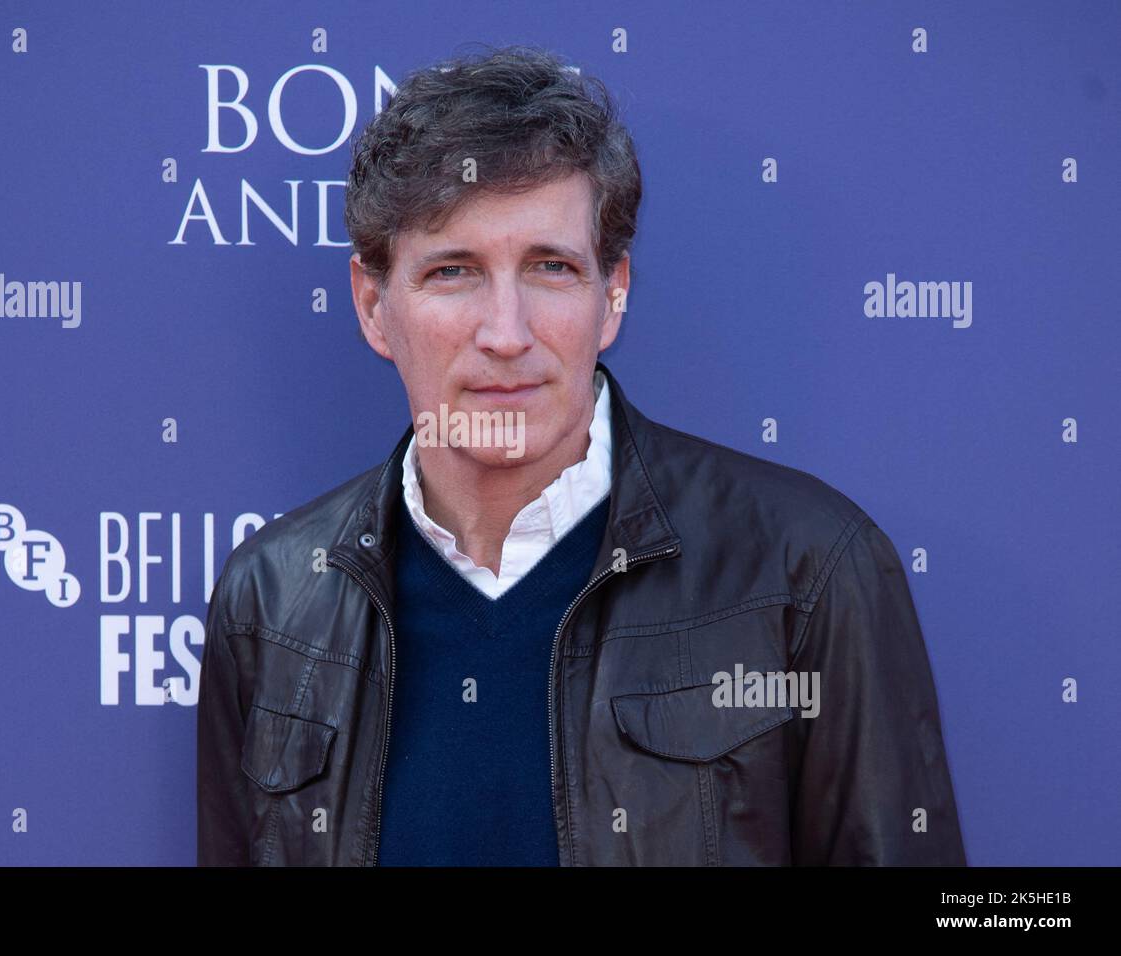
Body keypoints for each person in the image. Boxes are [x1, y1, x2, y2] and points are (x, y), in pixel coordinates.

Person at [196, 44, 965, 866]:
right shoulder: (271, 600)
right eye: (453, 271)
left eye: (551, 268)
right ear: (374, 307)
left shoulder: (808, 570)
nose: (505, 333)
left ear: (614, 296)